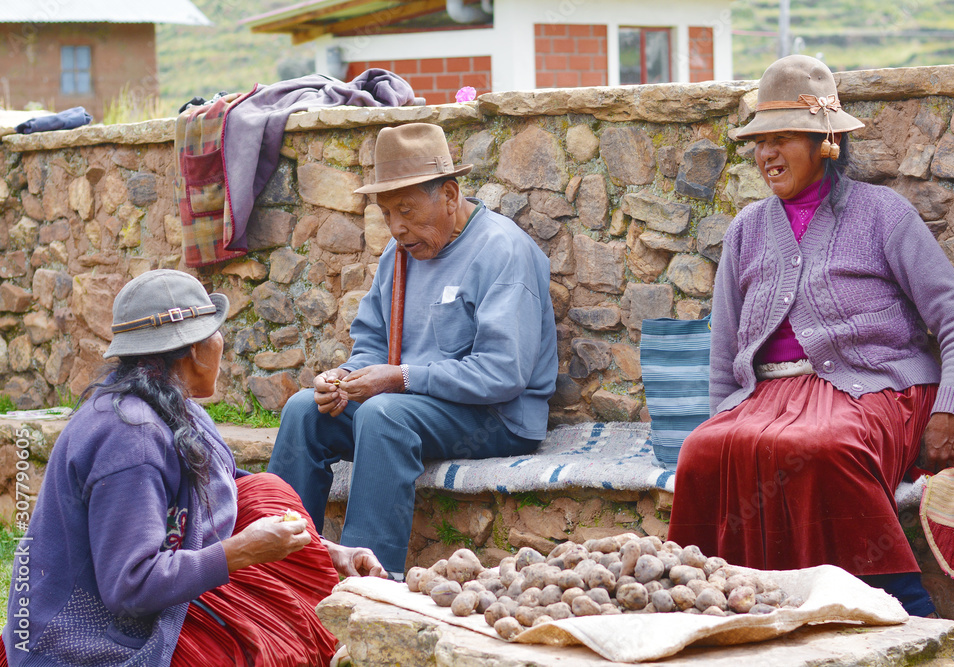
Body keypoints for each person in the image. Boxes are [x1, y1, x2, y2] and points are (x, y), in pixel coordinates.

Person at [666, 55, 954, 616]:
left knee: (821, 446)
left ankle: (897, 599)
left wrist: (949, 412)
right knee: (702, 452)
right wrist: (725, 418)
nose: (766, 154)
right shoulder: (746, 230)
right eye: (760, 142)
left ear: (827, 141)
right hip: (767, 398)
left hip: (874, 389)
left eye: (783, 139)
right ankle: (731, 601)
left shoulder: (883, 215)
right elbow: (725, 351)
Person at [1, 270, 385, 667]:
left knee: (264, 493)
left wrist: (329, 551)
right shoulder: (131, 438)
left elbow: (219, 498)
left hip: (152, 600)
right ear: (197, 350)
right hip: (91, 640)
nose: (223, 344)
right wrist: (241, 550)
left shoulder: (173, 407)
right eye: (217, 332)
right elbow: (129, 586)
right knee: (265, 648)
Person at [267, 122, 558, 579]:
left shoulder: (502, 251)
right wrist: (344, 378)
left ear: (449, 194)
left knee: (383, 415)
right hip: (415, 403)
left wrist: (399, 379)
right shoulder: (399, 254)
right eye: (386, 213)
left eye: (406, 210)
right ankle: (284, 571)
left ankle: (368, 584)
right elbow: (372, 346)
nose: (397, 227)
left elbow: (504, 373)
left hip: (497, 418)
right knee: (305, 410)